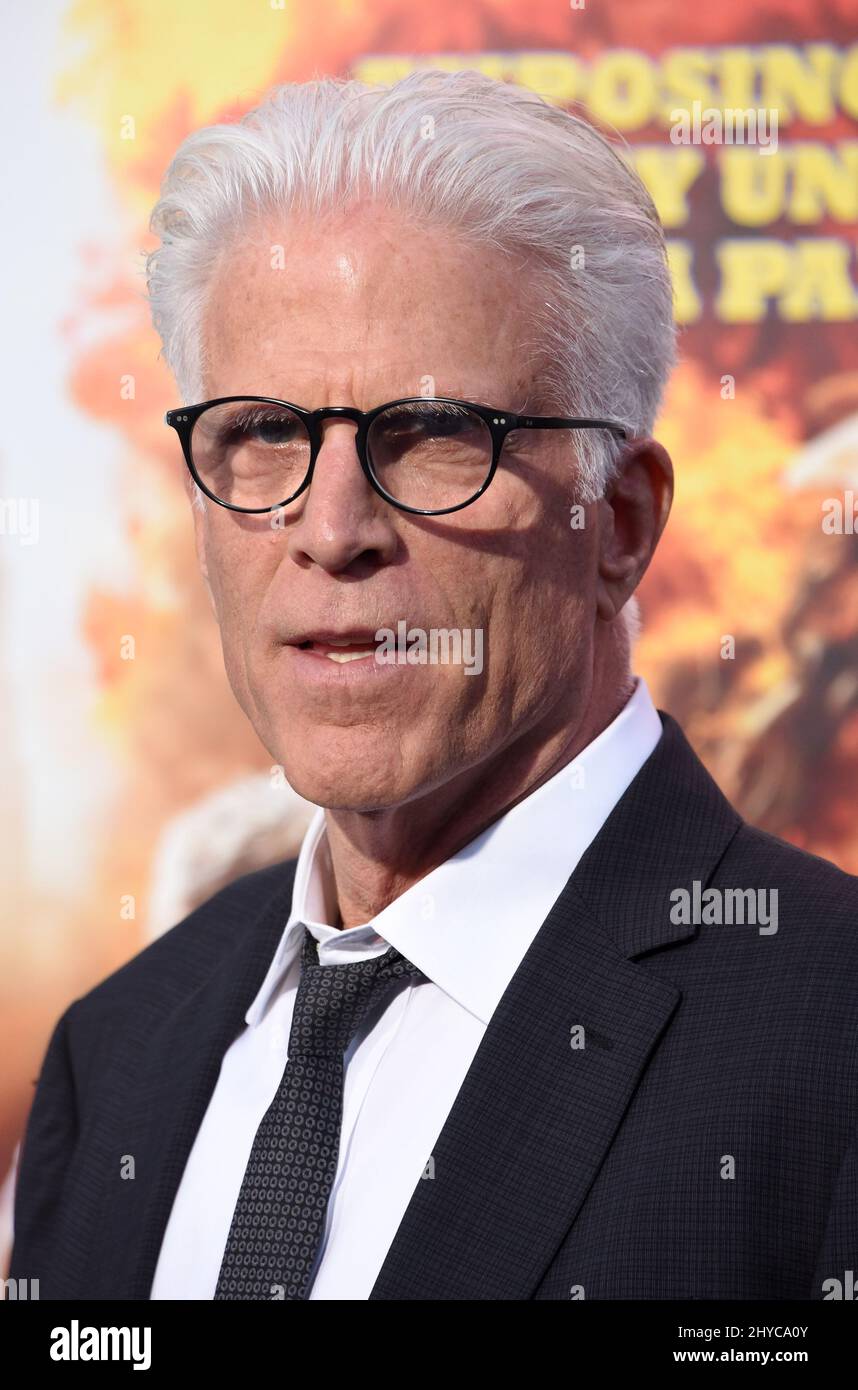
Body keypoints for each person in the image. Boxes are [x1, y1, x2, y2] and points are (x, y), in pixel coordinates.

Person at [9, 69, 858, 1301]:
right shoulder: (114, 1055)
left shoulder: (831, 1040)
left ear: (618, 522)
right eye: (262, 432)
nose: (332, 526)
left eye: (433, 433)